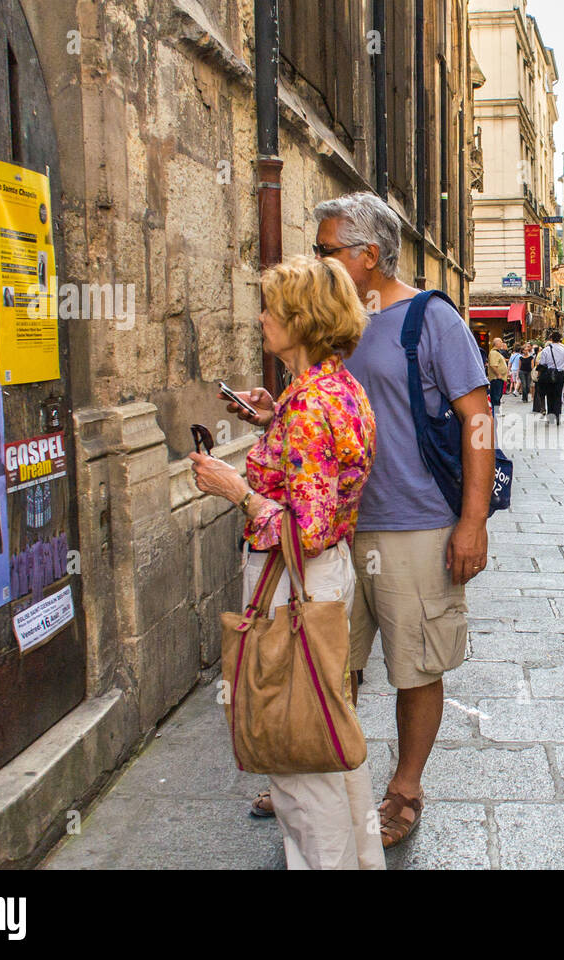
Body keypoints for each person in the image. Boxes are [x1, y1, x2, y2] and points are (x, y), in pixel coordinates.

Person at [311, 192, 493, 847]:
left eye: (326, 249)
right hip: (338, 526)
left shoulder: (429, 318)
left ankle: (406, 788)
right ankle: (329, 779)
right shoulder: (336, 323)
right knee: (337, 665)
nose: (317, 259)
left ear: (367, 255)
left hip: (416, 525)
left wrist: (472, 522)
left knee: (416, 666)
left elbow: (477, 417)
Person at [191, 254, 383, 869]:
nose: (262, 318)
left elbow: (310, 529)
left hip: (294, 585)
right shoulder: (334, 389)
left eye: (272, 308)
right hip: (324, 583)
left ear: (302, 320)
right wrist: (272, 420)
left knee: (299, 757)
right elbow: (323, 471)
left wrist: (235, 490)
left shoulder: (307, 409)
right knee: (330, 735)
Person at [535, 331, 564, 426]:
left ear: (551, 339)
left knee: (549, 396)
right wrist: (561, 373)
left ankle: (551, 417)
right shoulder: (563, 350)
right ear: (560, 339)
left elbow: (542, 364)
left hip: (548, 374)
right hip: (560, 374)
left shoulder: (546, 350)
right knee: (558, 396)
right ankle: (557, 416)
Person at [487, 337, 509, 414]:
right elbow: (493, 365)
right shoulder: (494, 353)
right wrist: (498, 374)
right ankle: (495, 412)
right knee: (496, 396)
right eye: (501, 342)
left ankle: (496, 411)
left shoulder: (497, 352)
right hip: (496, 378)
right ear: (497, 343)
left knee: (498, 396)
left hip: (499, 378)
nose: (502, 343)